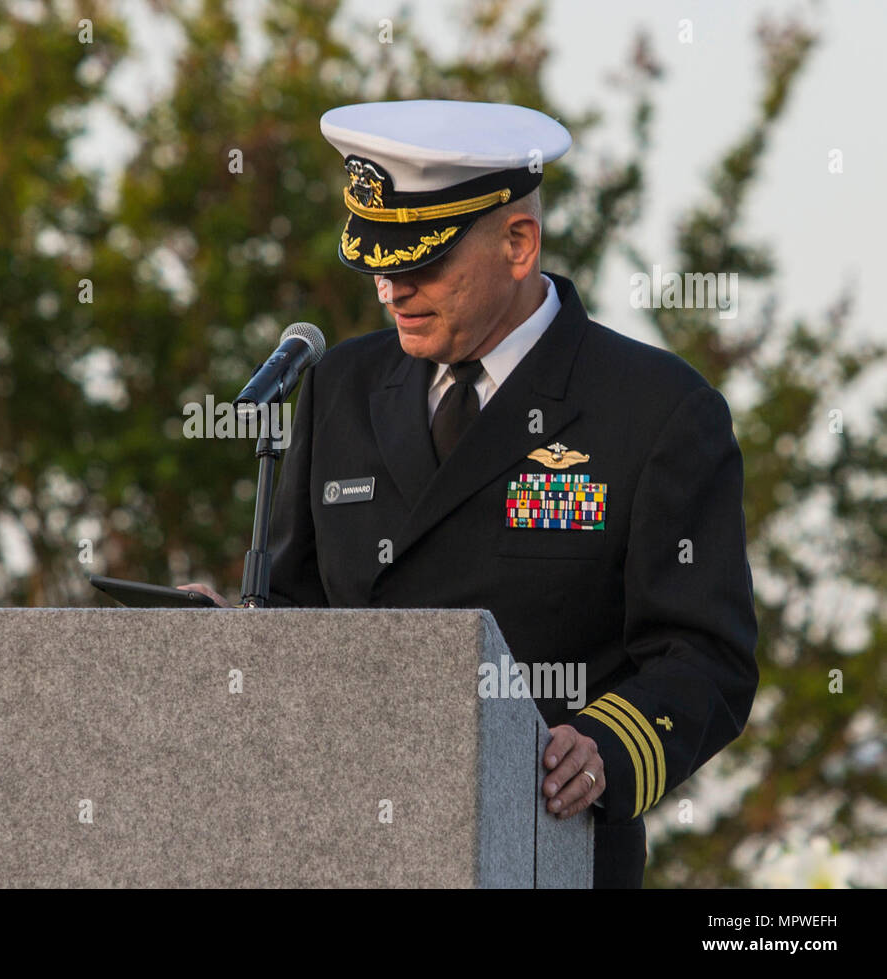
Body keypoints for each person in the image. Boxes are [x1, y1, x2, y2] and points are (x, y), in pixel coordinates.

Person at [181, 99, 759, 888]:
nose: (392, 290)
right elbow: (300, 608)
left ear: (519, 243)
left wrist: (605, 747)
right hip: (341, 849)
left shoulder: (656, 411)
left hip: (538, 848)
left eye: (420, 263)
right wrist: (229, 640)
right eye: (378, 262)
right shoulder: (339, 388)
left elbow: (705, 654)